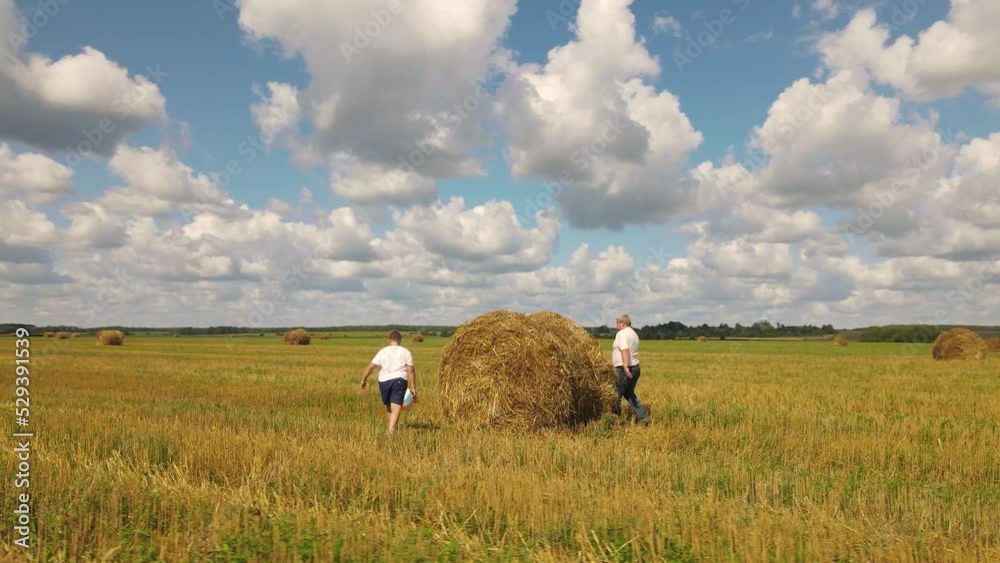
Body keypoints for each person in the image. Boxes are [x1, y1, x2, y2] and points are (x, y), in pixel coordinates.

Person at [360, 330, 416, 433]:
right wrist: (413, 387)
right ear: (400, 339)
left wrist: (364, 379)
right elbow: (410, 370)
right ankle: (391, 431)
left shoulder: (383, 352)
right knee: (396, 406)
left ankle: (392, 430)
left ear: (389, 340)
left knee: (389, 406)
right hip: (400, 380)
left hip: (384, 381)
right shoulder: (405, 351)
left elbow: (371, 366)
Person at [612, 314, 649, 423]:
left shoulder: (621, 334)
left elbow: (625, 350)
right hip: (636, 367)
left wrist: (625, 367)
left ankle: (616, 420)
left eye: (617, 323)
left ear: (622, 323)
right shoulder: (634, 334)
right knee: (629, 393)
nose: (616, 325)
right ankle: (643, 418)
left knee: (615, 395)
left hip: (624, 369)